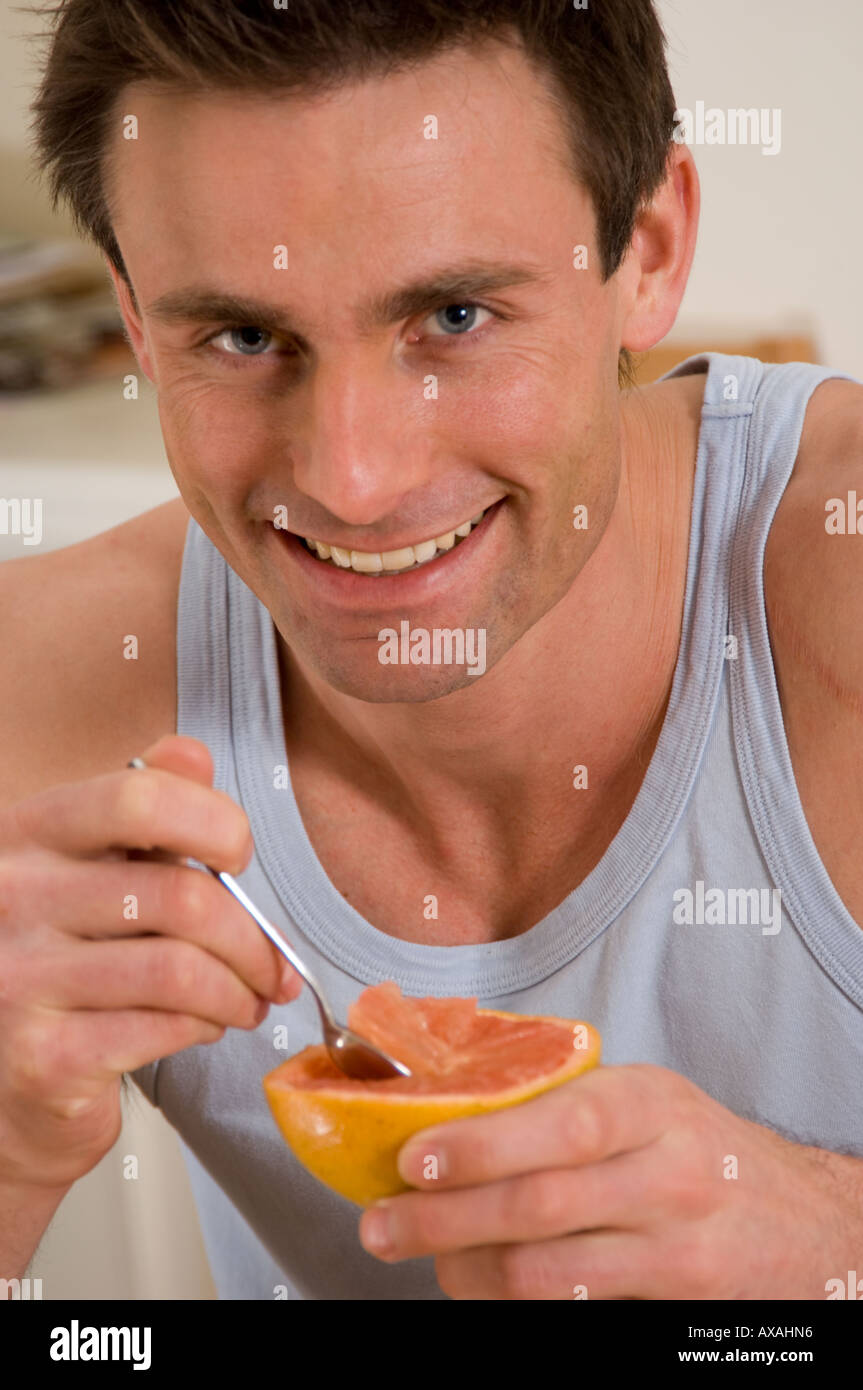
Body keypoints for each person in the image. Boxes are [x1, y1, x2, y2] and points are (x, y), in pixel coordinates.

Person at [1, 0, 861, 1301]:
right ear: (132, 322)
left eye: (455, 315)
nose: (350, 477)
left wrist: (837, 1239)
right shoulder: (43, 700)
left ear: (650, 249)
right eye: (242, 337)